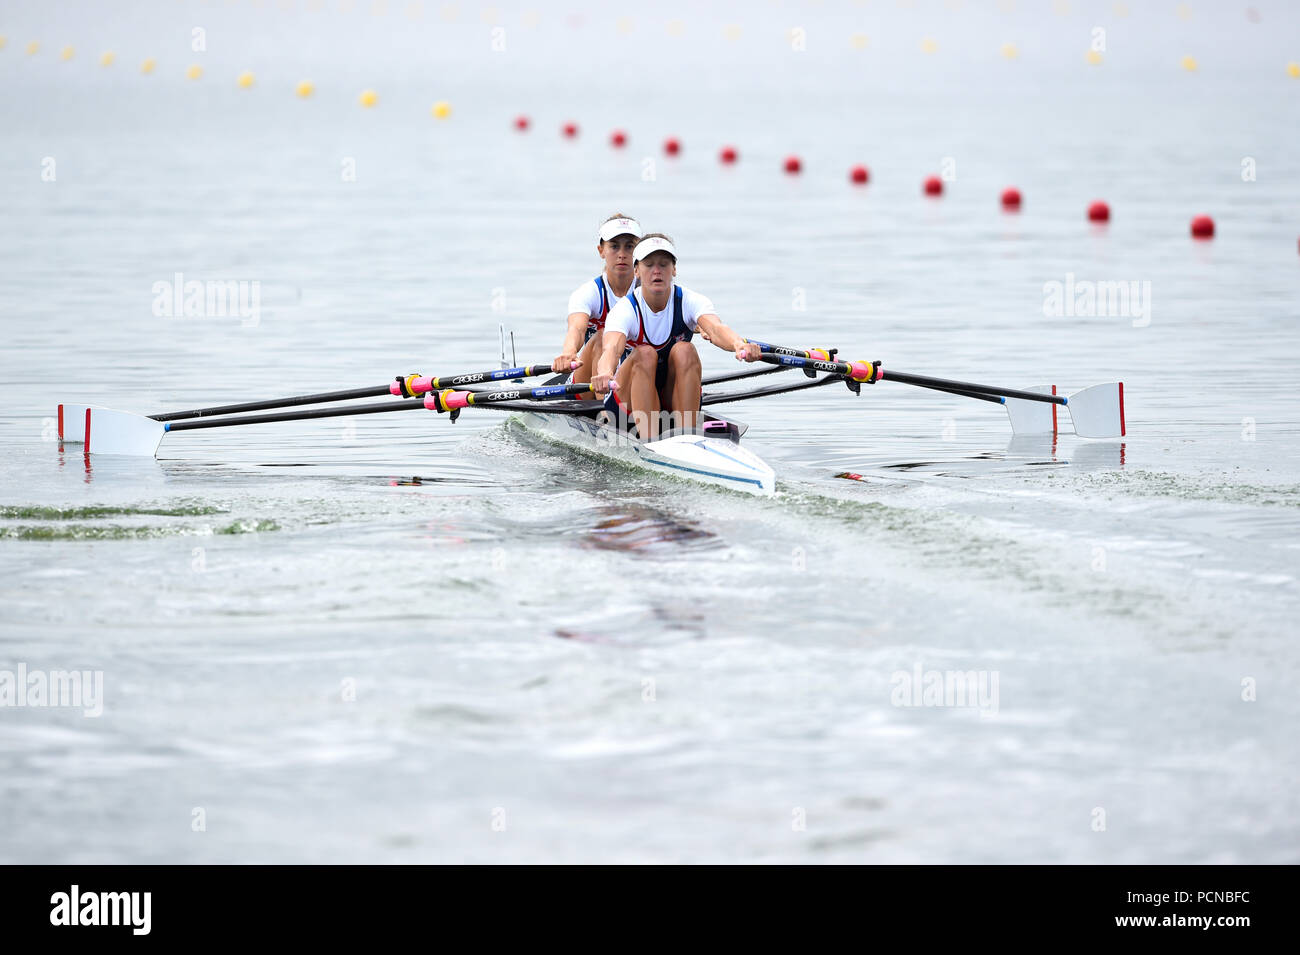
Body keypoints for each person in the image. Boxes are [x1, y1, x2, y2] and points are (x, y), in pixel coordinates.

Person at [590, 233, 761, 439]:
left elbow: (715, 328)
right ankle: (650, 442)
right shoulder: (625, 310)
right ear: (636, 271)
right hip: (626, 404)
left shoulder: (691, 301)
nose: (656, 271)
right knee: (645, 354)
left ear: (674, 269)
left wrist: (738, 344)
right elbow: (612, 348)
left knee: (685, 350)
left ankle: (687, 437)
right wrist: (605, 372)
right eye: (649, 265)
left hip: (671, 400)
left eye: (663, 264)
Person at [551, 214, 642, 384]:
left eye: (629, 247)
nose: (622, 254)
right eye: (614, 246)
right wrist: (569, 352)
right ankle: (607, 408)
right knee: (603, 337)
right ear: (601, 250)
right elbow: (577, 329)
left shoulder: (653, 293)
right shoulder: (588, 293)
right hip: (590, 384)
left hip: (633, 379)